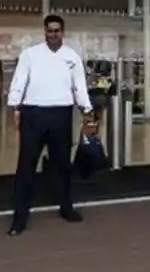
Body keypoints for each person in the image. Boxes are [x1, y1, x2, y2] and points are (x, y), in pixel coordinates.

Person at [6, 15, 95, 236]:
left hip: (61, 115)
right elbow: (19, 80)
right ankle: (19, 218)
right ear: (44, 32)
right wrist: (15, 107)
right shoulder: (30, 55)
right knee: (26, 166)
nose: (53, 34)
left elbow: (79, 87)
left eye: (57, 31)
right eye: (49, 31)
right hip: (33, 114)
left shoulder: (72, 57)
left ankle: (67, 208)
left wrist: (87, 109)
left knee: (63, 166)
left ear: (62, 32)